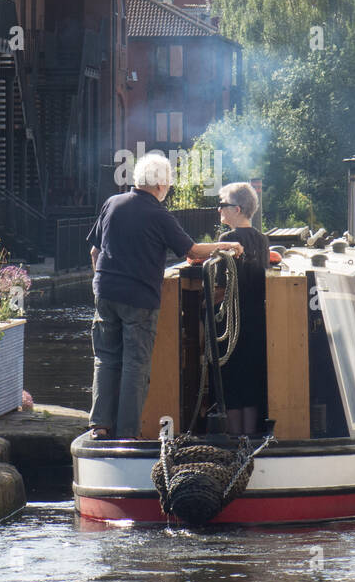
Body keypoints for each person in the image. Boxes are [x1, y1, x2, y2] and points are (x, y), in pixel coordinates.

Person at [87, 153, 243, 440]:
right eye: (168, 185)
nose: (168, 190)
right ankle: (127, 434)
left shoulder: (112, 203)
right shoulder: (158, 215)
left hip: (105, 293)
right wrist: (229, 244)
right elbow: (193, 252)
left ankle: (99, 426)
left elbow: (95, 251)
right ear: (159, 185)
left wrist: (100, 281)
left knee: (106, 359)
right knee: (136, 364)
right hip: (139, 298)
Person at [216, 182, 269, 436]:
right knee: (252, 376)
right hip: (257, 319)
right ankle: (250, 435)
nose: (219, 210)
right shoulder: (262, 239)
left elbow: (220, 286)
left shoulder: (227, 240)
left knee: (232, 378)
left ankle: (234, 437)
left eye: (222, 205)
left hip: (233, 323)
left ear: (236, 209)